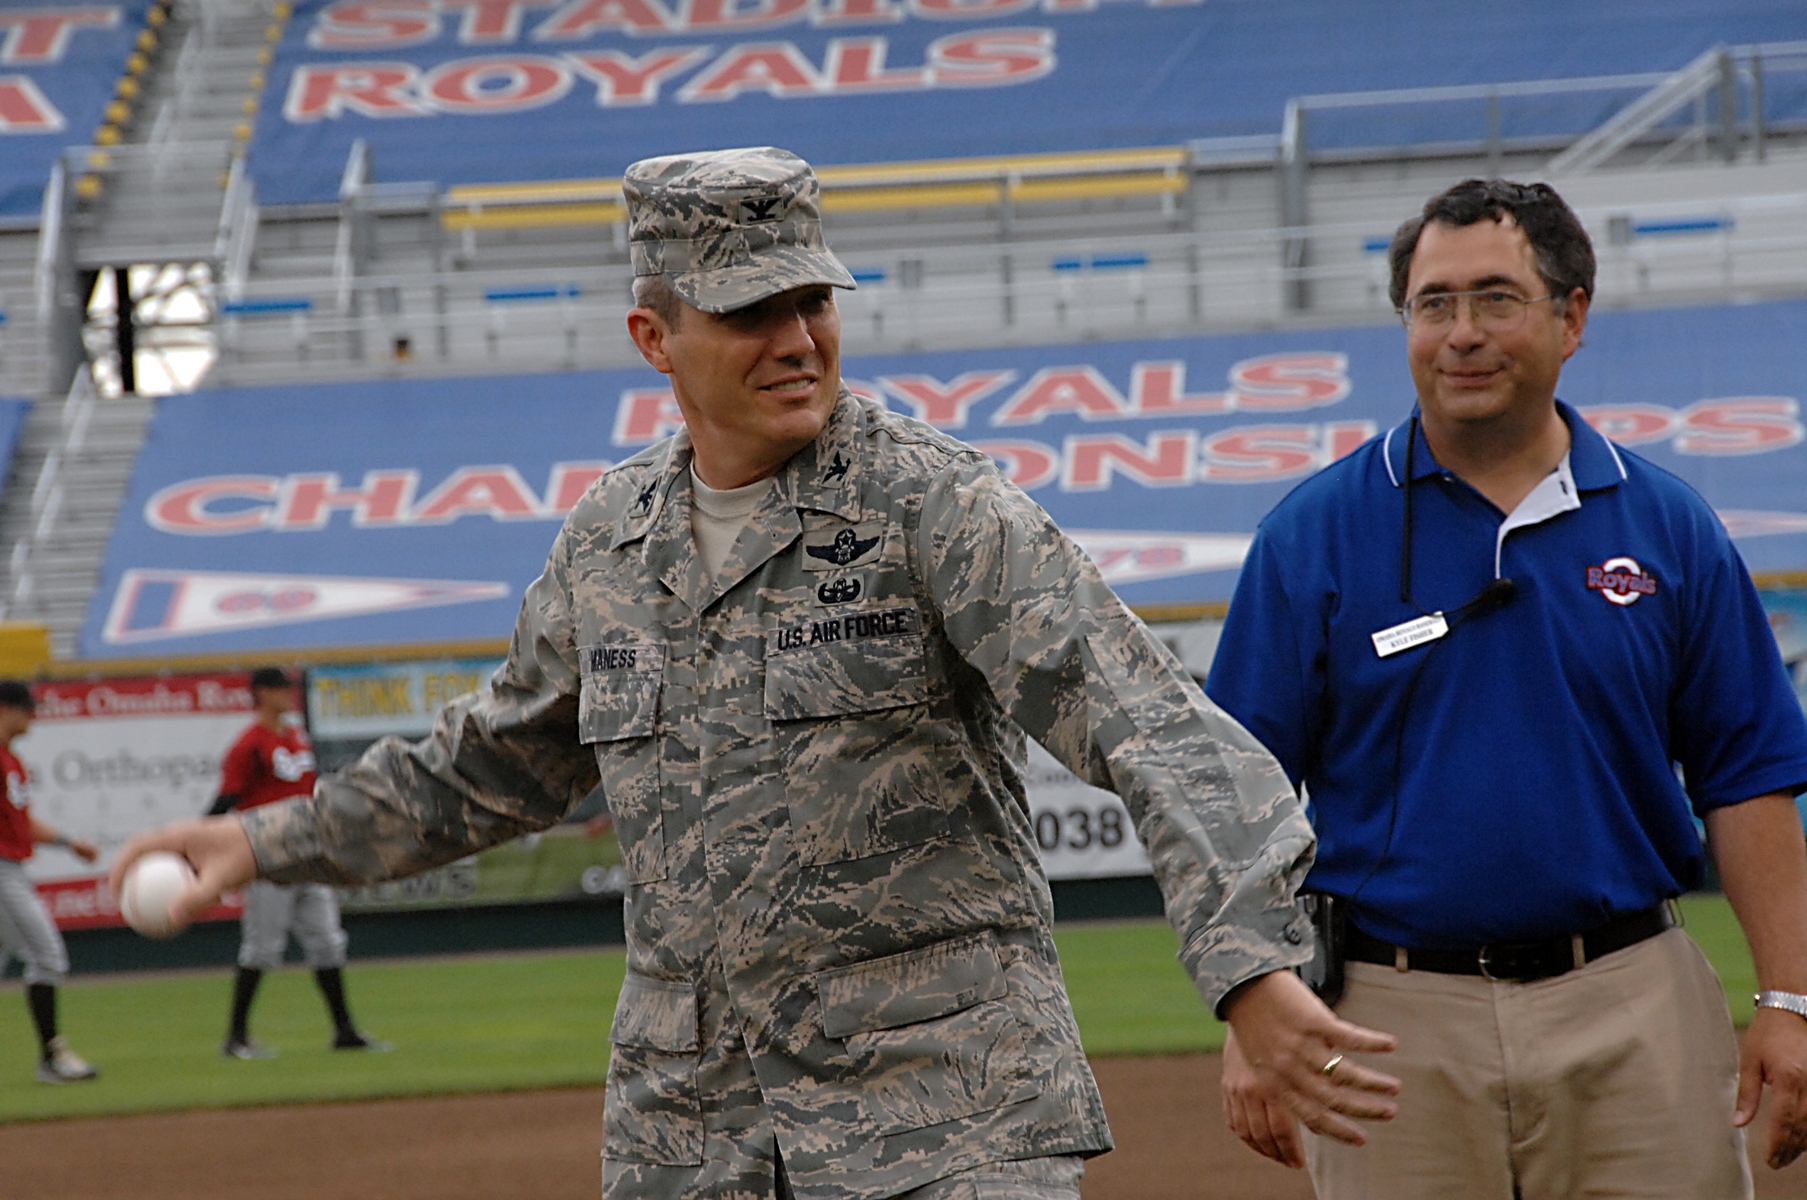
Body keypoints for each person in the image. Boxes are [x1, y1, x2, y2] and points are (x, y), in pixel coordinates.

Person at [112, 146, 1398, 1200]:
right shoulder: (607, 545)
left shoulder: (932, 508)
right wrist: (263, 843)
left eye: (813, 302)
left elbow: (1155, 728)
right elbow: (490, 769)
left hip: (942, 1121)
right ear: (653, 336)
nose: (795, 339)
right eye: (748, 312)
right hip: (696, 1137)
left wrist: (1251, 968)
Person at [1206, 177, 1807, 1198]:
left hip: (1631, 998)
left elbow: (1747, 780)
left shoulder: (1669, 528)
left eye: (1495, 298)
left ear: (1571, 316)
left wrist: (1790, 999)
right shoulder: (1309, 535)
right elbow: (1234, 800)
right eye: (1433, 304)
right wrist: (1248, 999)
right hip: (1389, 1019)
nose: (1461, 334)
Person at [206, 667, 382, 1058]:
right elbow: (226, 801)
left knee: (328, 942)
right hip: (268, 854)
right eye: (278, 688)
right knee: (262, 948)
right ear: (260, 694)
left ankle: (344, 1031)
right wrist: (203, 845)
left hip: (311, 851)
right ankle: (236, 1037)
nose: (287, 694)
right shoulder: (249, 744)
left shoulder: (296, 735)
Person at [0, 680, 101, 1083]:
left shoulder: (11, 760)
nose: (34, 717)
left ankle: (51, 1057)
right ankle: (52, 1057)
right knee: (47, 956)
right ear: (7, 708)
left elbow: (22, 823)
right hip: (2, 870)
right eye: (28, 710)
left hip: (12, 866)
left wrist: (67, 841)